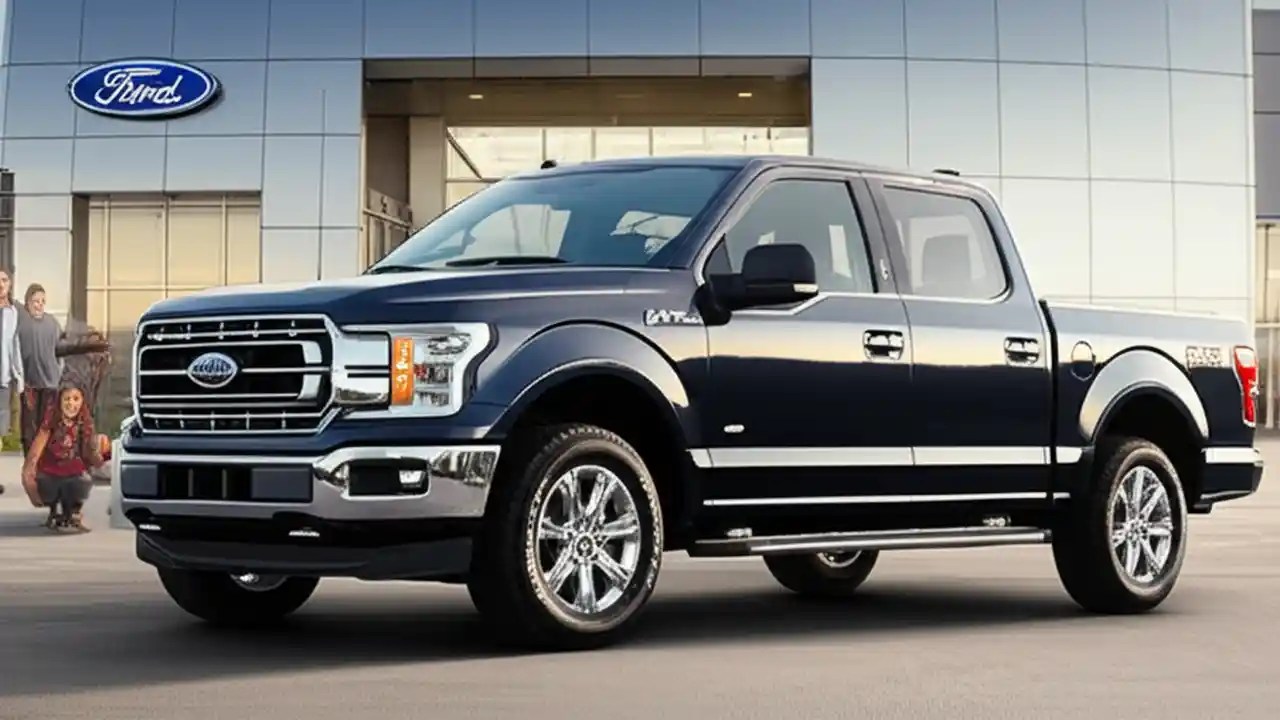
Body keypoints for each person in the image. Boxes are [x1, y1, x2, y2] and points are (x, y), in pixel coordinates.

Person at [21, 381, 105, 533]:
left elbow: (93, 454)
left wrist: (103, 456)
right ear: (59, 402)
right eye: (66, 399)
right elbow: (34, 454)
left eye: (75, 399)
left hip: (75, 474)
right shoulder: (49, 425)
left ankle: (73, 512)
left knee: (83, 479)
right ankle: (55, 511)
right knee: (51, 483)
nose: (71, 404)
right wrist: (29, 477)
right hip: (50, 475)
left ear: (81, 402)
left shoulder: (85, 425)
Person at [0, 269, 25, 496]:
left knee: (0, 429)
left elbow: (14, 346)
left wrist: (19, 376)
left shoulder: (13, 313)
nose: (1, 284)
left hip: (4, 379)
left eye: (4, 280)